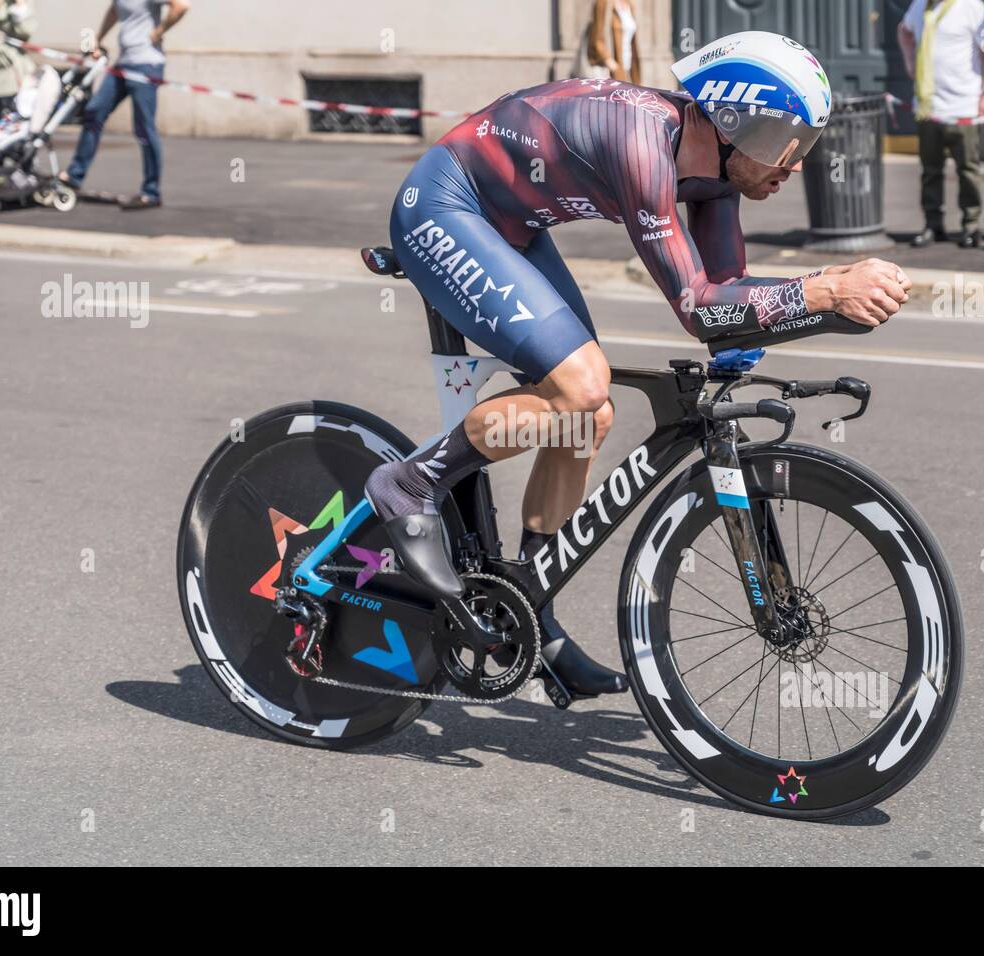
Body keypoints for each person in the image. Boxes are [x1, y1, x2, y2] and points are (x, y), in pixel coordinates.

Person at [367, 32, 913, 696]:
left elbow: (730, 312)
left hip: (509, 225)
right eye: (784, 141)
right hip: (445, 208)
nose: (793, 164)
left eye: (805, 145)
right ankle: (410, 485)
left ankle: (531, 603)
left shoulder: (716, 181)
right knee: (580, 385)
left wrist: (818, 314)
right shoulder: (640, 142)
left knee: (589, 415)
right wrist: (824, 288)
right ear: (735, 122)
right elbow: (697, 304)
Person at [61, 0, 190, 210]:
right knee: (94, 111)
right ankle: (74, 176)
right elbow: (114, 10)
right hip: (124, 63)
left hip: (146, 64)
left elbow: (182, 5)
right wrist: (98, 40)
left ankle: (151, 192)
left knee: (144, 128)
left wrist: (159, 31)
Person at [898, 0, 984, 249]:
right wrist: (910, 61)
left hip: (963, 105)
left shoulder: (971, 7)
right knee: (930, 171)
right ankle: (933, 225)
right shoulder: (920, 6)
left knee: (968, 170)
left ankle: (971, 225)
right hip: (929, 106)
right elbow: (904, 30)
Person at [579, 0, 641, 83]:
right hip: (610, 70)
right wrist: (610, 63)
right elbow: (596, 37)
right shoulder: (603, 2)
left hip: (628, 66)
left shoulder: (628, 4)